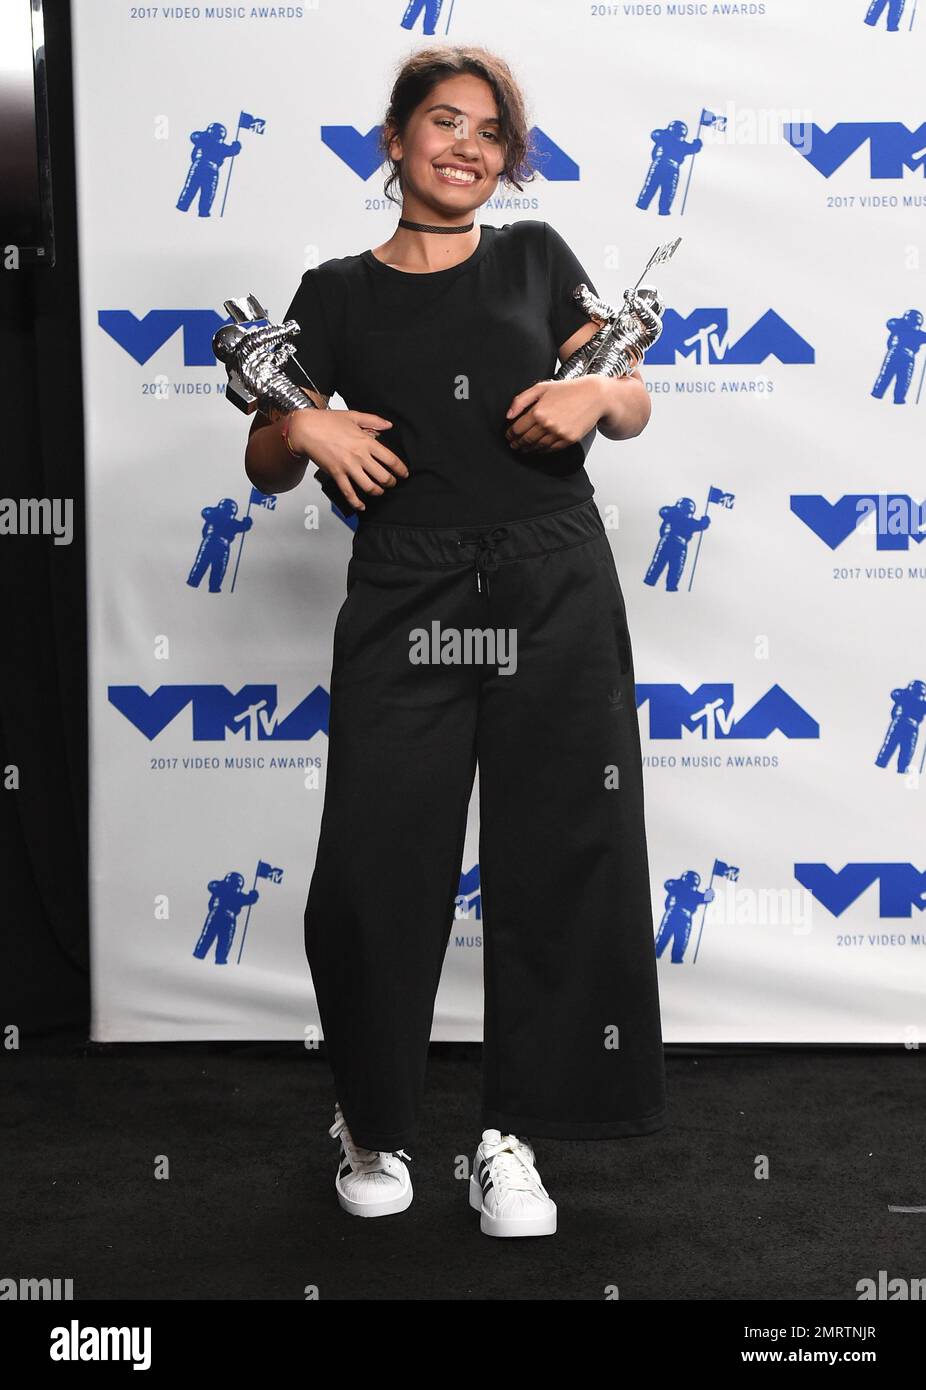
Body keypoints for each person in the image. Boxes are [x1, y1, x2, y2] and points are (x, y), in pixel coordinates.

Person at [244, 44, 667, 1238]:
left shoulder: (534, 258)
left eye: (490, 132)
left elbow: (624, 389)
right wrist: (303, 422)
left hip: (551, 577)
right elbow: (265, 457)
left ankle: (510, 1135)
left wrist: (598, 398)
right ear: (394, 141)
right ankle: (372, 1119)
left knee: (559, 854)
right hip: (407, 591)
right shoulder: (332, 291)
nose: (468, 146)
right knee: (377, 860)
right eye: (443, 122)